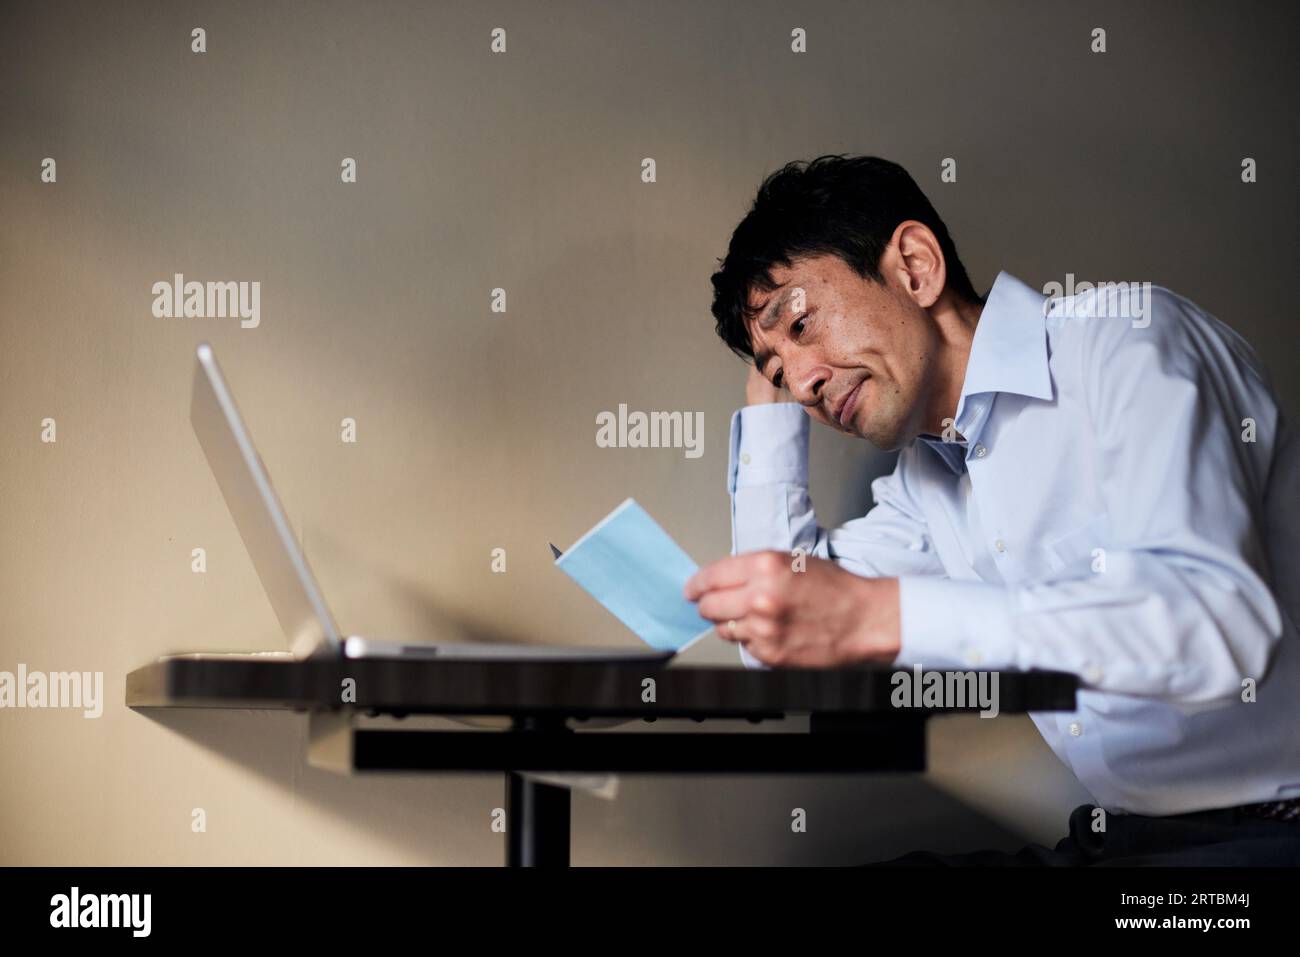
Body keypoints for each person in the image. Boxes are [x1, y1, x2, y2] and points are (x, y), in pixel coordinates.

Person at [683, 155, 1300, 865]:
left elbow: (1214, 622)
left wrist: (882, 613)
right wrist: (767, 393)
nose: (807, 384)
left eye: (803, 323)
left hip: (1271, 834)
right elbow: (779, 642)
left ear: (914, 266)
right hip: (1124, 838)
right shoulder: (925, 479)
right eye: (784, 376)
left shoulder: (1128, 341)